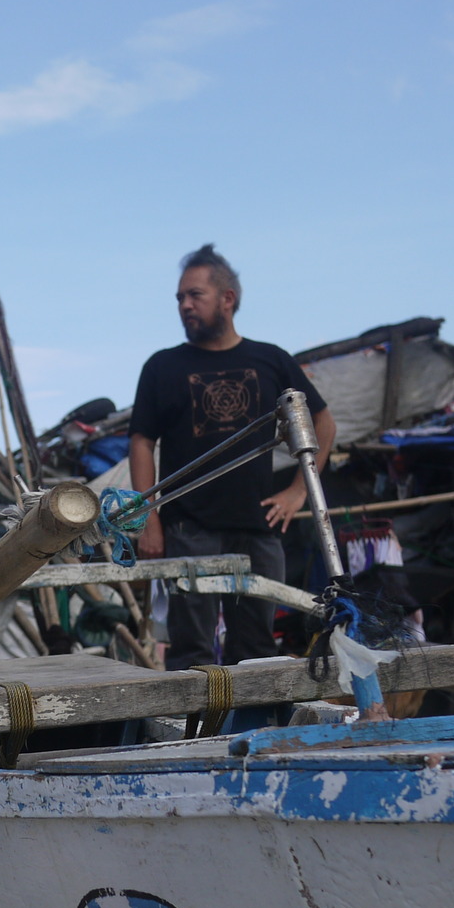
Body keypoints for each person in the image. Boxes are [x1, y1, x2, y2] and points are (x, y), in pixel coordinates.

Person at [130, 244, 336, 669]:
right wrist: (148, 518)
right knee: (192, 655)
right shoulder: (162, 367)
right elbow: (141, 442)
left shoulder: (270, 360)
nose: (185, 305)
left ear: (228, 299)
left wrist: (298, 492)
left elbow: (322, 422)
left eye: (195, 295)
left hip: (258, 529)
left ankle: (254, 734)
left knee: (257, 653)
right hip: (188, 528)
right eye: (180, 298)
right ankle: (194, 737)